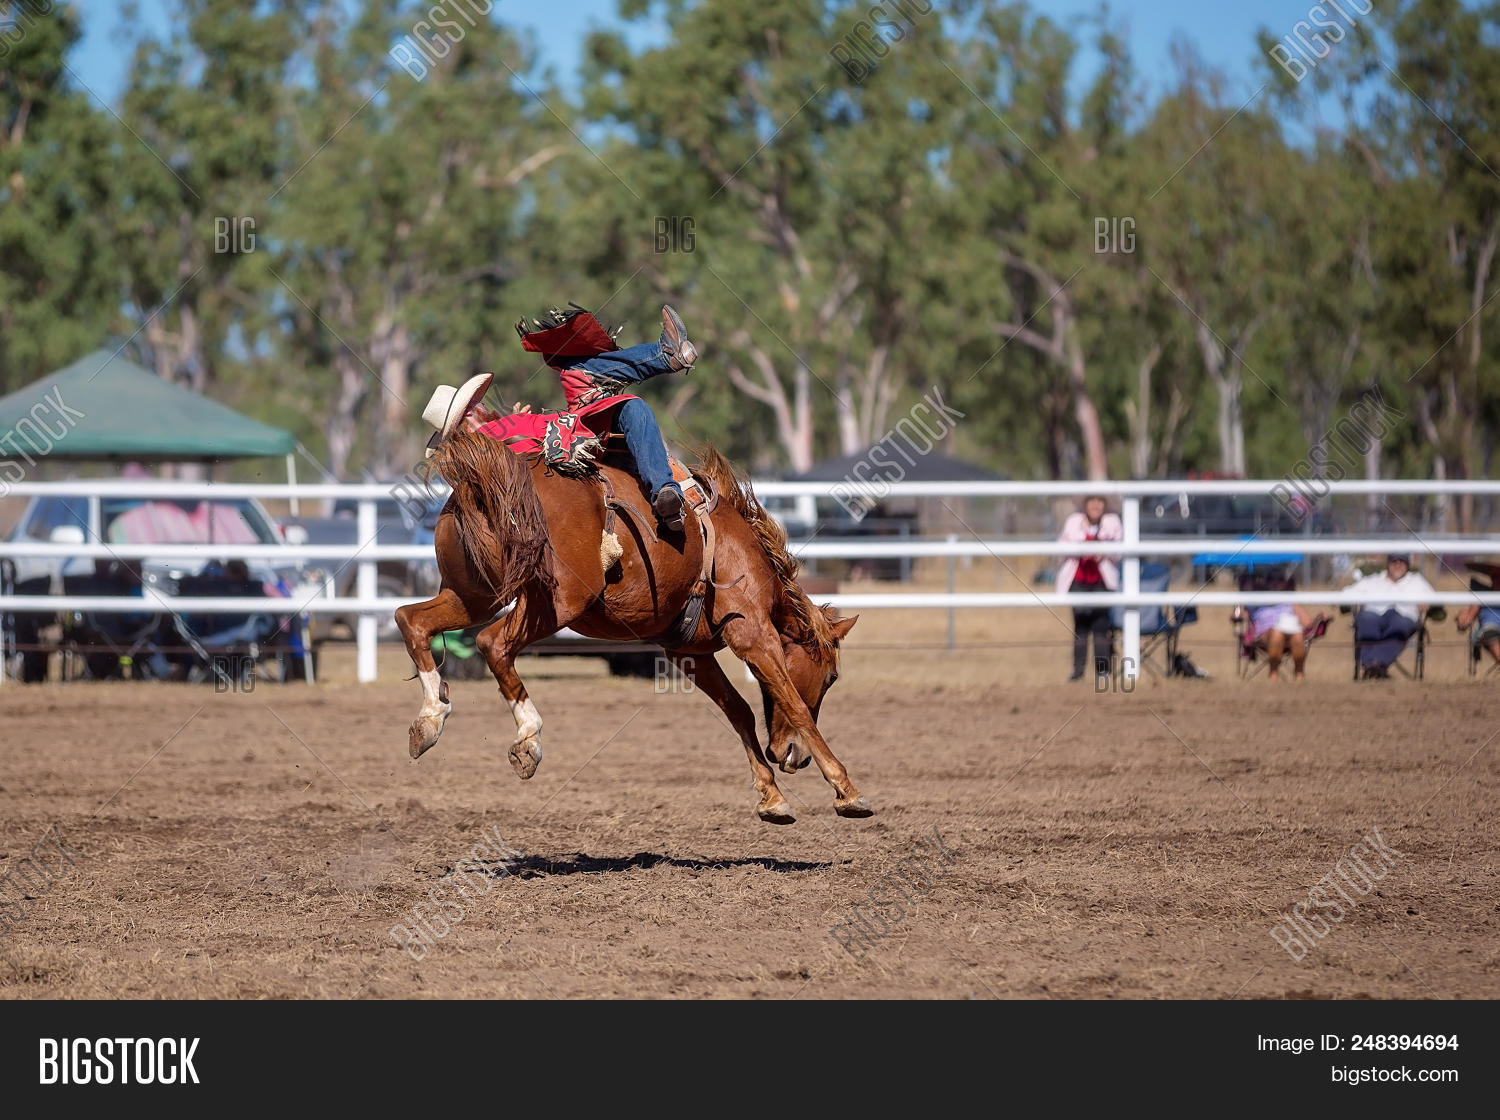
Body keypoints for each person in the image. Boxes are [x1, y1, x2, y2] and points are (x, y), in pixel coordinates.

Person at [422, 303, 697, 530]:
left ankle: (665, 494)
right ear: (469, 412)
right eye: (475, 402)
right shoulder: (487, 440)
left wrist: (517, 424)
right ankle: (665, 355)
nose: (481, 404)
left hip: (574, 435)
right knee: (576, 371)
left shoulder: (495, 434)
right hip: (573, 441)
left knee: (631, 408)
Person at [1056, 494, 1121, 682]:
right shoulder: (1073, 522)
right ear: (1085, 504)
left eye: (1100, 501)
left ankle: (1103, 672)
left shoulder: (1112, 523)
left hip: (1102, 581)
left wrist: (1104, 552)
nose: (1096, 505)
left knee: (1101, 626)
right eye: (1092, 501)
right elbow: (1062, 548)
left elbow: (1119, 552)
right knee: (1081, 626)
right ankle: (1078, 672)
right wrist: (1082, 548)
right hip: (1079, 580)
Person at [1344, 553, 1435, 678]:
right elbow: (1346, 594)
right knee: (1366, 619)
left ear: (1407, 565)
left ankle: (1373, 663)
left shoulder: (1416, 581)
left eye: (1401, 562)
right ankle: (1374, 664)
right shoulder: (1373, 580)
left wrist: (1426, 603)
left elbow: (1433, 598)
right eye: (1394, 561)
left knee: (1399, 625)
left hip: (1403, 616)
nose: (1398, 565)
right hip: (1374, 615)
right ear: (1388, 564)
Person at [1232, 570, 1327, 682]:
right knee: (1277, 633)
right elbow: (1239, 615)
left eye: (1280, 580)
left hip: (1291, 632)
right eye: (1271, 580)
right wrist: (1237, 614)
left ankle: (1299, 674)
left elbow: (1308, 623)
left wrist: (1319, 619)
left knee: (1298, 635)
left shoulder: (1289, 602)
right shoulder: (1256, 600)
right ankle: (1273, 674)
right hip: (1265, 634)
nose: (1276, 583)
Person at [1454, 580, 1500, 670]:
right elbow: (1467, 620)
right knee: (1490, 633)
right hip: (1490, 630)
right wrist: (1462, 618)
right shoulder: (1482, 595)